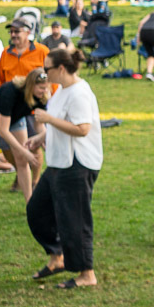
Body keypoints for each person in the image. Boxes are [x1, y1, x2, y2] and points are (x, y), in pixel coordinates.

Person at [26, 48, 104, 289]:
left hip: (77, 164)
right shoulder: (61, 91)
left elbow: (82, 128)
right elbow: (61, 122)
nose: (43, 72)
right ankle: (58, 256)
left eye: (47, 68)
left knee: (75, 219)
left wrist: (48, 121)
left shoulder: (79, 93)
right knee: (37, 211)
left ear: (60, 69)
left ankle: (87, 273)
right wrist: (42, 137)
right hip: (59, 162)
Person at [0, 68, 49, 217]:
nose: (45, 91)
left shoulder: (40, 97)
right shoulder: (10, 91)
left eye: (46, 87)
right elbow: (3, 131)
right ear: (31, 85)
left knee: (22, 161)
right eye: (41, 88)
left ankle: (30, 206)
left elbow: (39, 125)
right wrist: (24, 151)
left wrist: (44, 139)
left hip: (16, 119)